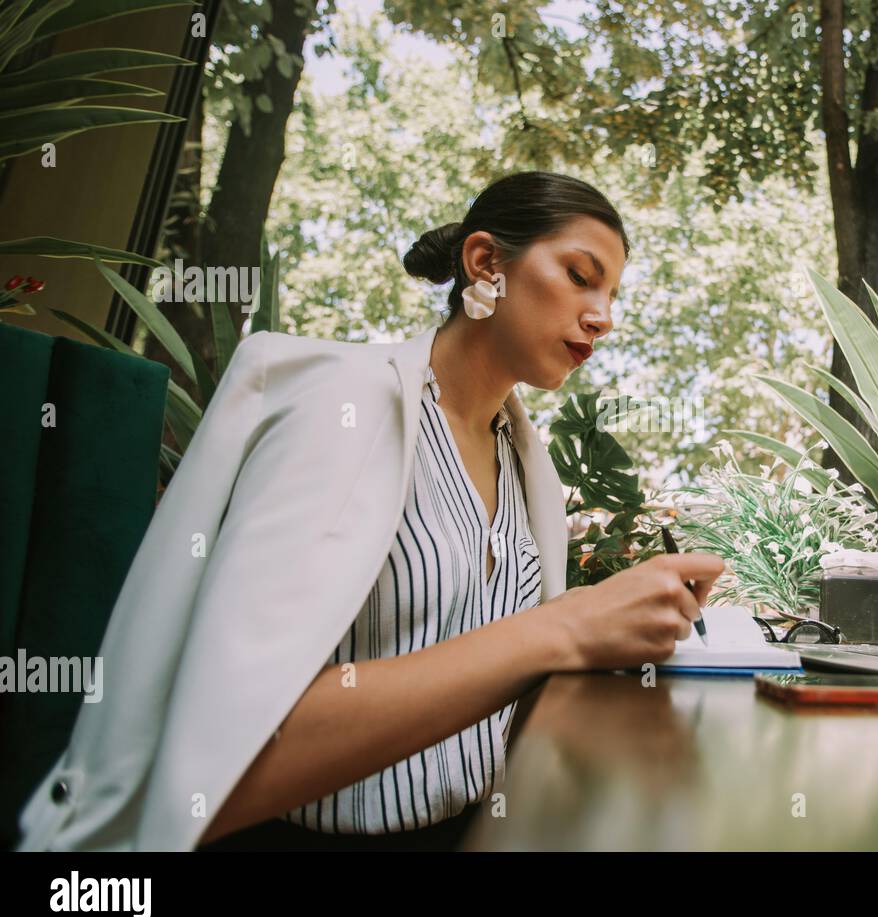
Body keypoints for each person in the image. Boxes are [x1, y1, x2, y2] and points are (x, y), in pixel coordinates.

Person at [18, 170, 725, 852]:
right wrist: (565, 628)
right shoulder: (346, 407)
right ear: (485, 264)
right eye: (580, 274)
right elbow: (219, 758)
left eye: (612, 293)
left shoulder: (522, 460)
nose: (603, 317)